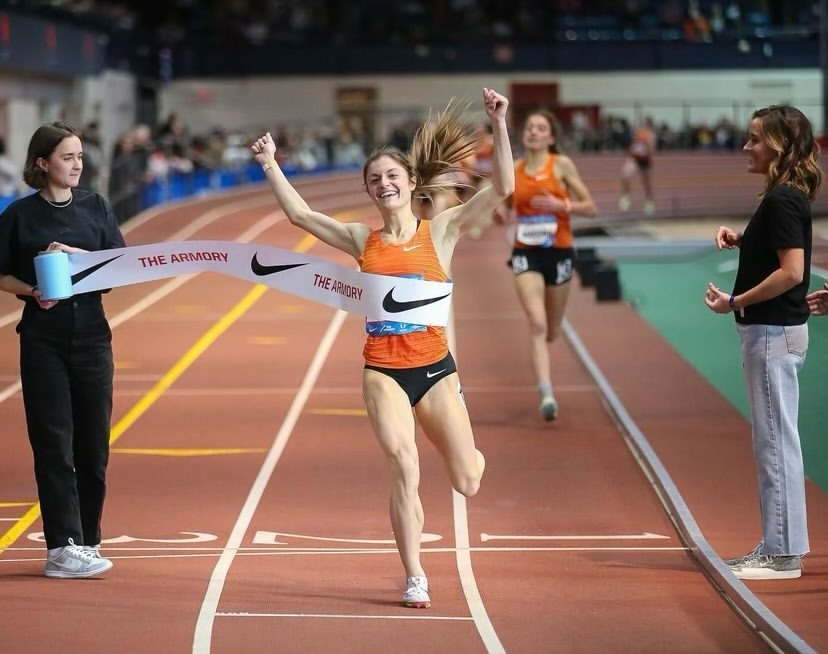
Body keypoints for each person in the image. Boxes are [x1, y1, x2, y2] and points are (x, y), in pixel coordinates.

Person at [250, 87, 514, 608]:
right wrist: (270, 164)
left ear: (411, 182)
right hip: (384, 371)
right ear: (370, 192)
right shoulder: (360, 239)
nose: (384, 183)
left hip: (437, 370)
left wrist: (499, 124)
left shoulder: (441, 231)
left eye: (392, 175)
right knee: (404, 462)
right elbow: (302, 218)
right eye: (375, 179)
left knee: (468, 481)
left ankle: (469, 451)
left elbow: (504, 187)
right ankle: (415, 573)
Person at [0, 121, 126, 578]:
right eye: (68, 157)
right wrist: (33, 290)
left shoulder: (96, 207)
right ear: (42, 163)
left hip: (93, 337)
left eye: (79, 156)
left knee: (93, 447)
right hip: (43, 339)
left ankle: (88, 540)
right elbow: (0, 273)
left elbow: (118, 270)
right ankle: (61, 547)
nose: (77, 164)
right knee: (54, 444)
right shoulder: (19, 215)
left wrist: (78, 257)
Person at [704, 105, 823, 580]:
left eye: (754, 139)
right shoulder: (783, 198)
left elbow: (792, 272)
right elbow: (778, 254)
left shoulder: (783, 200)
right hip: (774, 331)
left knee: (774, 443)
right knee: (775, 440)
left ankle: (781, 554)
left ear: (777, 145)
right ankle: (779, 546)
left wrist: (735, 301)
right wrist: (743, 242)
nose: (745, 147)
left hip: (771, 332)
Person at [497, 109, 597, 421]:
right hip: (526, 252)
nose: (534, 132)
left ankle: (550, 335)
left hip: (560, 252)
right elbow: (505, 203)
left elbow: (591, 208)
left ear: (551, 137)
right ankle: (546, 394)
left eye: (541, 128)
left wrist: (562, 204)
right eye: (530, 127)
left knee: (552, 329)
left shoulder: (562, 165)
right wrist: (500, 212)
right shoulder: (515, 168)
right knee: (537, 323)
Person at [618, 116, 656, 215]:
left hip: (645, 160)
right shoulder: (637, 133)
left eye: (645, 124)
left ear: (649, 125)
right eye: (643, 123)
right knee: (625, 174)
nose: (643, 125)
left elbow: (651, 148)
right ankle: (626, 197)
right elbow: (633, 145)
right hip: (635, 158)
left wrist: (646, 151)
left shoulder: (650, 135)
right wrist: (631, 152)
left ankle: (649, 201)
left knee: (646, 182)